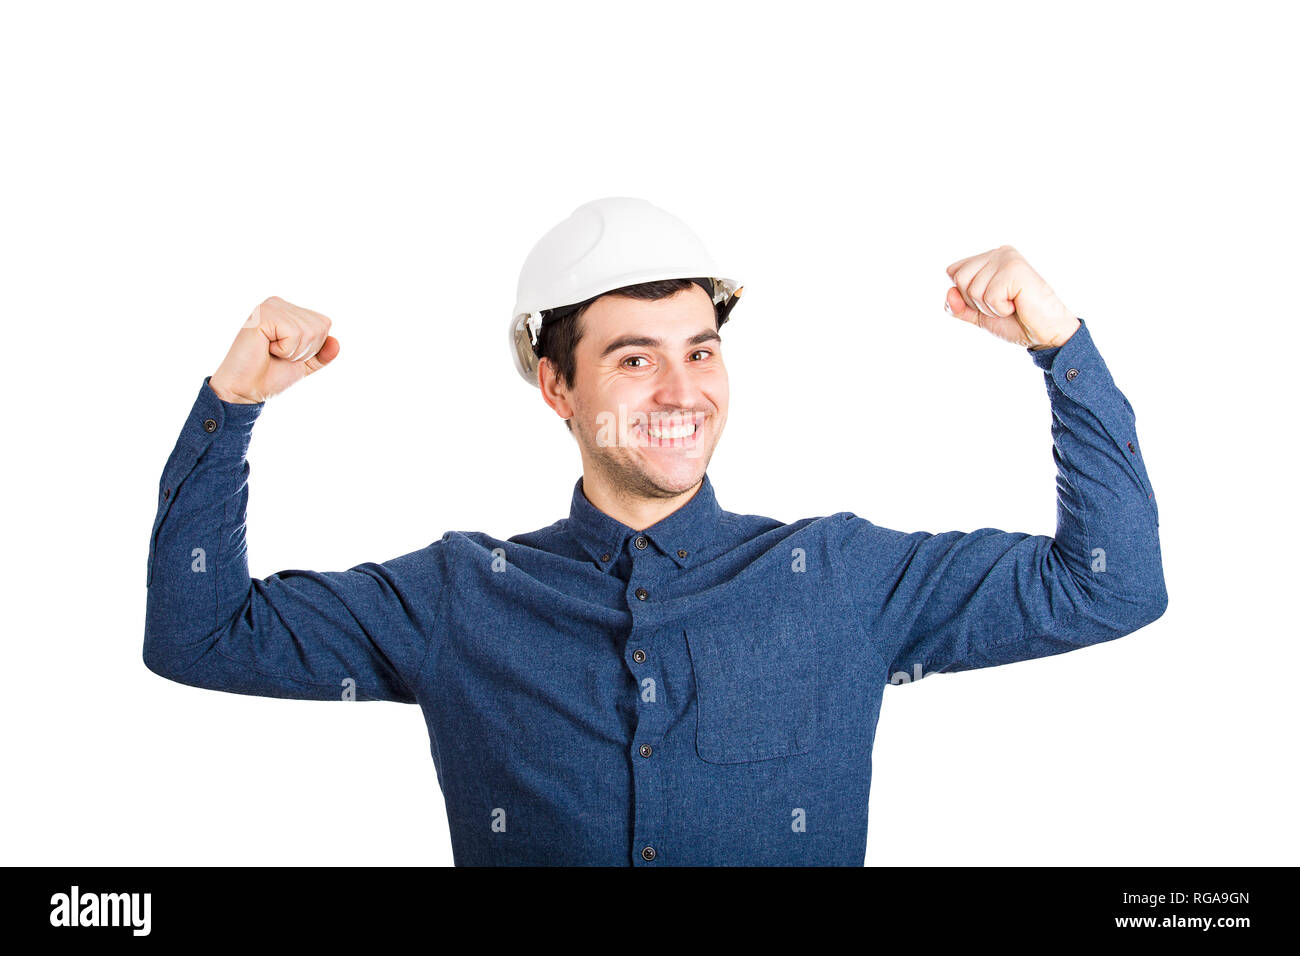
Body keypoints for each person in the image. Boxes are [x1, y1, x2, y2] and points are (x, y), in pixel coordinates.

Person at [143, 196, 1167, 866]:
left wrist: (1059, 346)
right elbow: (199, 634)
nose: (682, 389)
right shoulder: (459, 594)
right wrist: (231, 404)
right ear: (556, 385)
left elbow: (1110, 585)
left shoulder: (846, 576)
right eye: (634, 359)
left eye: (702, 350)